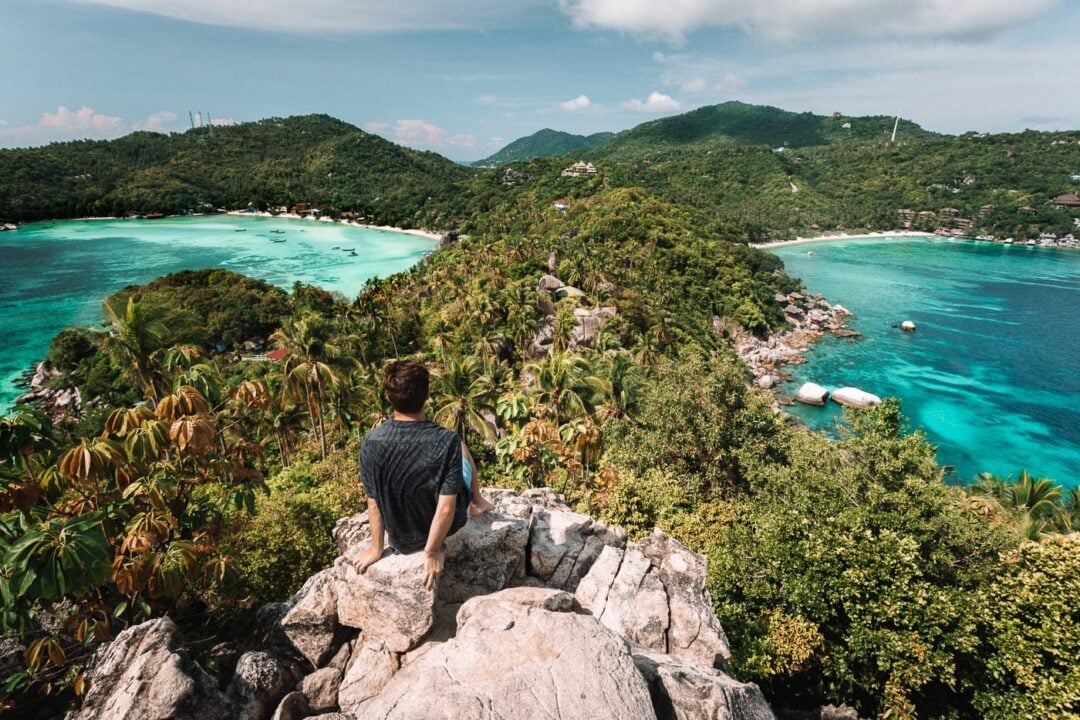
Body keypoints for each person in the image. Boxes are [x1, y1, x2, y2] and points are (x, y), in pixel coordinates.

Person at [354, 359, 494, 588]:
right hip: (445, 529)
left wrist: (376, 548)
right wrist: (432, 551)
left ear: (388, 397)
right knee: (462, 448)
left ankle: (478, 502)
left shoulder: (371, 442)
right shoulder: (446, 440)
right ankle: (478, 502)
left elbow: (373, 501)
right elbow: (447, 508)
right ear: (427, 394)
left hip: (401, 539)